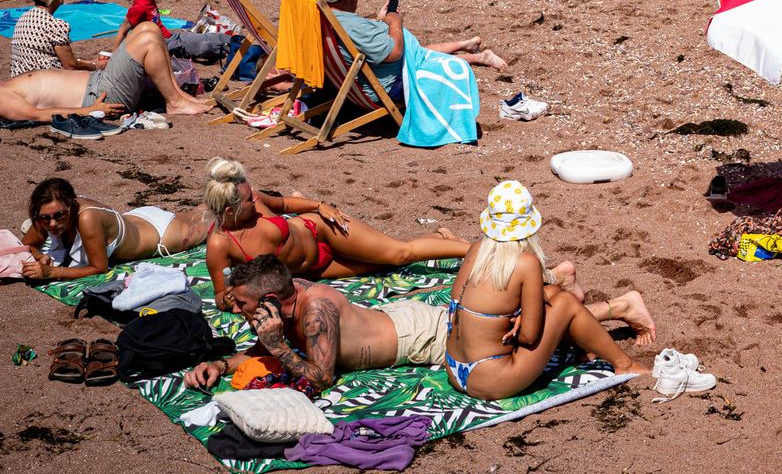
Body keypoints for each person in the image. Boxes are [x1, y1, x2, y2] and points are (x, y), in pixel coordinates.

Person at [441, 182, 659, 398]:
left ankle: (585, 346)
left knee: (552, 293)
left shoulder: (476, 250)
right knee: (565, 302)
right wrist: (523, 318)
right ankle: (624, 364)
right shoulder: (526, 262)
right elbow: (528, 337)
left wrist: (519, 314)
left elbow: (458, 302)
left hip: (454, 367)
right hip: (492, 380)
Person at [201, 159, 473, 311]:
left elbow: (284, 205)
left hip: (321, 231)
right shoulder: (219, 244)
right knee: (390, 263)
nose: (255, 197)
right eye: (248, 199)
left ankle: (477, 250)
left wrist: (320, 206)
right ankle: (440, 237)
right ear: (230, 210)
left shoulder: (258, 203)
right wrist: (226, 300)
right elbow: (220, 294)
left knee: (399, 253)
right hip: (317, 270)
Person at [184, 253, 466, 392]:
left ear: (268, 298)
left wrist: (279, 347)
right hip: (392, 316)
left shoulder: (316, 310)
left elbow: (322, 379)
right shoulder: (281, 301)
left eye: (242, 303)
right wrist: (218, 366)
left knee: (486, 339)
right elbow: (262, 348)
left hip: (418, 336)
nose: (235, 309)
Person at [316, 0, 509, 110]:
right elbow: (394, 53)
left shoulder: (324, 18)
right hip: (385, 87)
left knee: (419, 51)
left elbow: (361, 41)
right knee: (424, 58)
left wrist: (380, 21)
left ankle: (469, 47)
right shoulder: (353, 26)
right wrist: (394, 22)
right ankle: (478, 56)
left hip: (352, 79)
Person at [0, 17, 211, 119]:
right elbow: (38, 114)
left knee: (148, 28)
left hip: (99, 83)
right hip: (100, 94)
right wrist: (90, 110)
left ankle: (178, 96)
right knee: (146, 38)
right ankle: (175, 103)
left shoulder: (2, 85)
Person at [18, 178, 214, 283]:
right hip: (135, 220)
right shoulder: (48, 213)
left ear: (71, 205)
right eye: (45, 218)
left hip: (161, 234)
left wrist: (52, 272)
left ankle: (235, 187)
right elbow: (28, 245)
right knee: (199, 211)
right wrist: (39, 256)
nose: (52, 224)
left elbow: (98, 268)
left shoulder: (86, 219)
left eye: (59, 216)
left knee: (219, 220)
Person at [9, 0, 98, 77]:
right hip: (45, 82)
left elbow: (44, 55)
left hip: (20, 78)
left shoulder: (24, 17)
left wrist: (90, 62)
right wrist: (94, 66)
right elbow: (70, 65)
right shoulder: (54, 25)